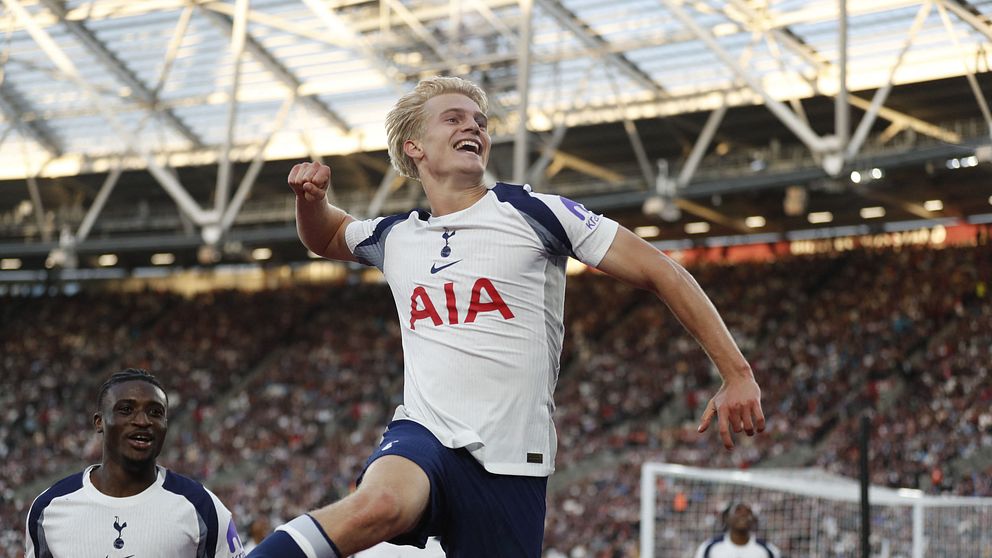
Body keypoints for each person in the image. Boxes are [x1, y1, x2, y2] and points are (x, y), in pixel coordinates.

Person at [248, 75, 765, 558]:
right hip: (425, 435)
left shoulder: (537, 213)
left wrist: (736, 372)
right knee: (378, 505)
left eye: (480, 121)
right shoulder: (395, 236)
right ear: (415, 147)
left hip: (512, 459)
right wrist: (309, 202)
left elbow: (662, 271)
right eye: (453, 118)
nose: (473, 125)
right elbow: (328, 236)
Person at [24, 369, 245, 558]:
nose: (142, 421)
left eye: (155, 412)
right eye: (126, 410)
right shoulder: (49, 508)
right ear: (99, 422)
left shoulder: (203, 506)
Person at [694, 502, 781, 558]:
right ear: (726, 518)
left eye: (748, 512)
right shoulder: (709, 547)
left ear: (754, 520)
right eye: (737, 511)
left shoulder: (768, 550)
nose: (743, 515)